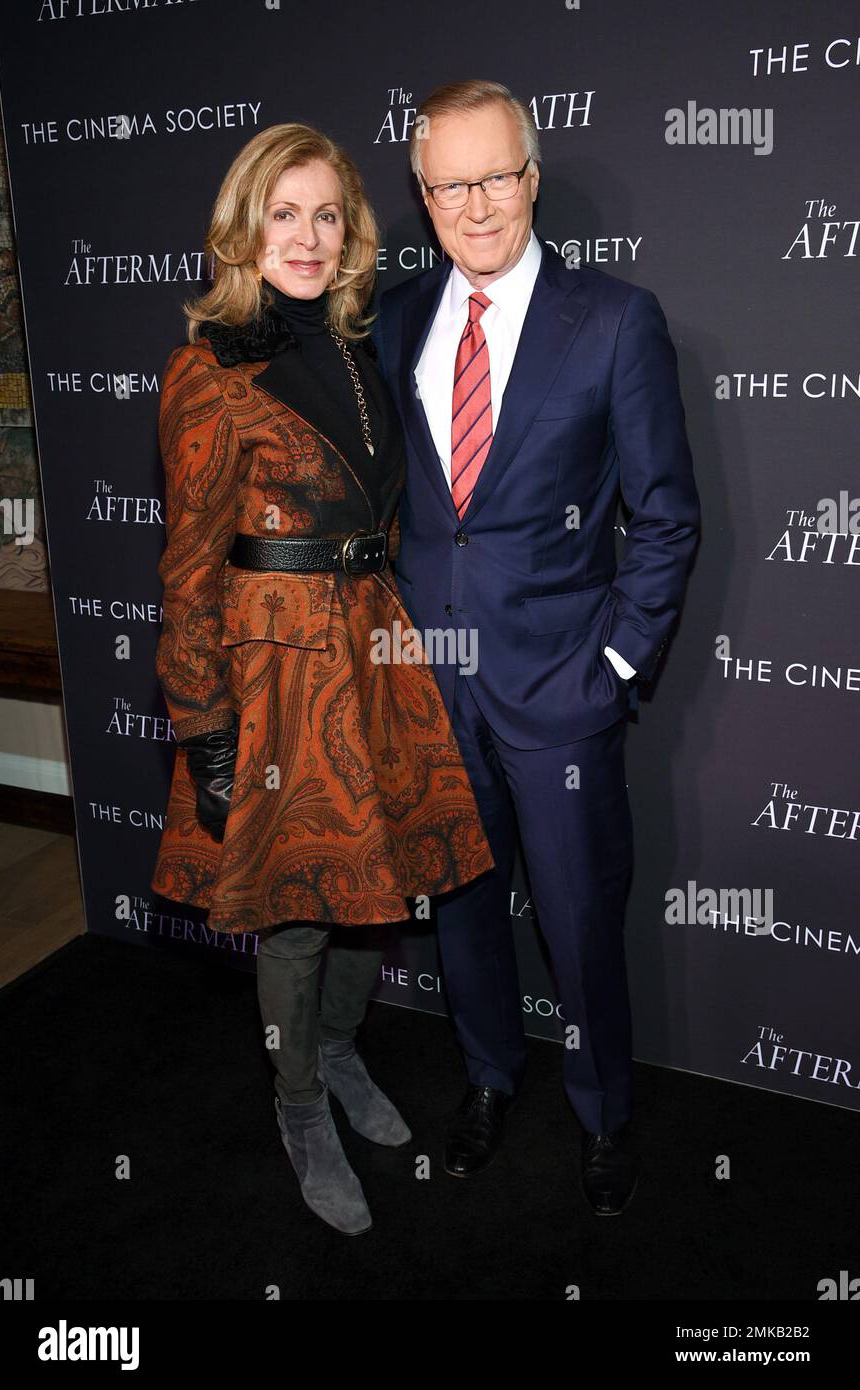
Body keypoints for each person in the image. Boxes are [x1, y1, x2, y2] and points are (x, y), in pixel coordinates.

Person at [149, 123, 494, 1235]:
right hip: (273, 671)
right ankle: (298, 1107)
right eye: (281, 214)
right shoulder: (208, 371)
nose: (305, 236)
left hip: (371, 649)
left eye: (326, 213)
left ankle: (339, 1055)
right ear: (243, 230)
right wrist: (203, 721)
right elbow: (190, 566)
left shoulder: (360, 348)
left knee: (372, 890)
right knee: (298, 916)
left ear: (350, 232)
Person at [371, 79, 701, 1215]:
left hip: (560, 686)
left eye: (494, 176)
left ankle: (602, 1114)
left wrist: (611, 667)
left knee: (574, 916)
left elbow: (663, 515)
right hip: (430, 684)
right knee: (462, 906)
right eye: (449, 183)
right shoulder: (396, 319)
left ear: (531, 177)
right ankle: (486, 1075)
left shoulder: (613, 321)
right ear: (421, 194)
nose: (474, 205)